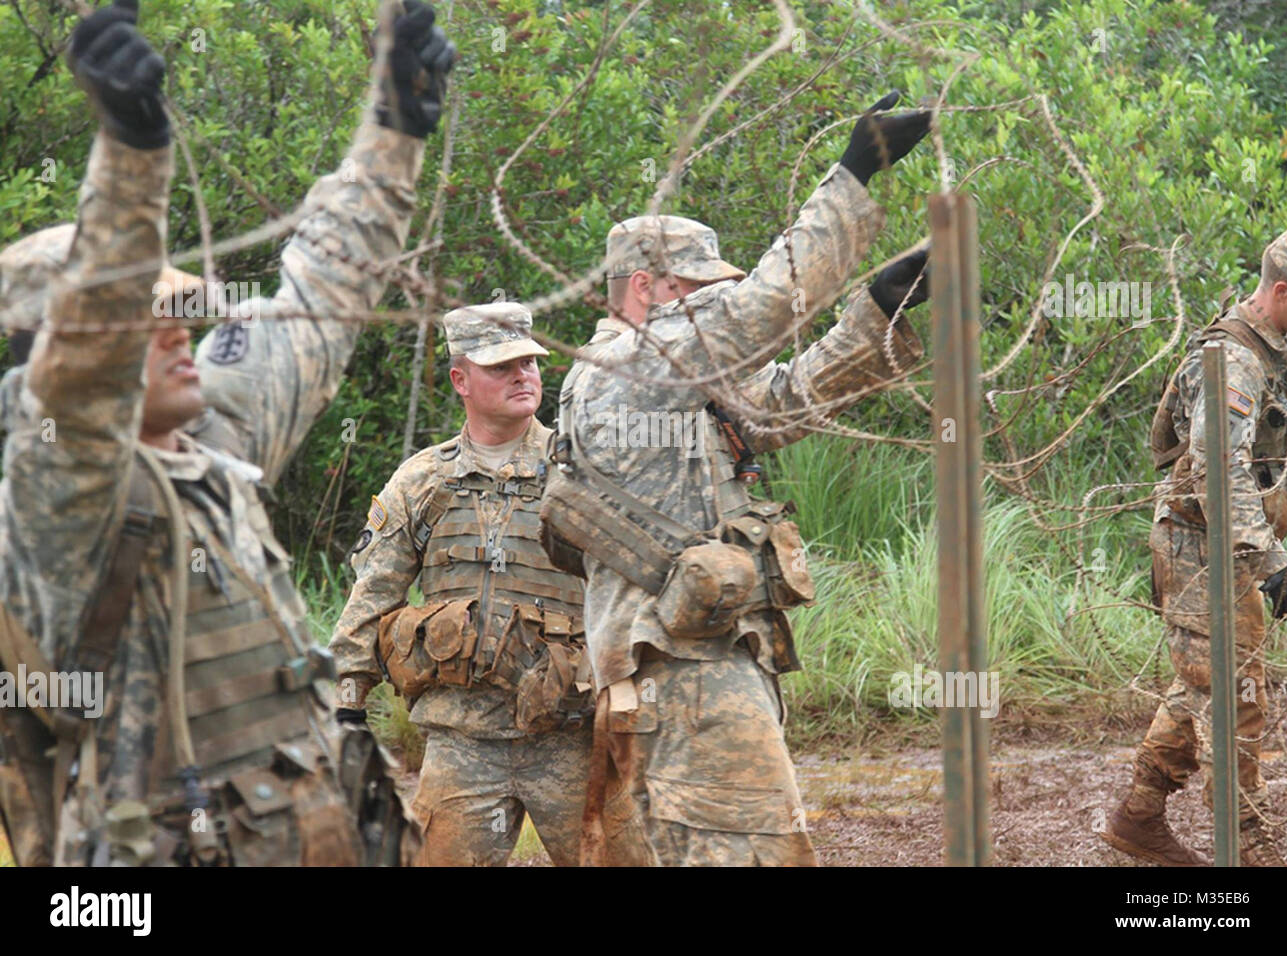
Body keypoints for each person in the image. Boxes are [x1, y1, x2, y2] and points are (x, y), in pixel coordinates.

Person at [0, 0, 455, 866]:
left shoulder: (213, 440)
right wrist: (132, 154)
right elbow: (86, 364)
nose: (182, 335)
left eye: (182, 313)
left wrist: (395, 120)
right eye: (150, 319)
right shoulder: (55, 487)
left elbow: (329, 278)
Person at [541, 91, 932, 865]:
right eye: (700, 291)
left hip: (693, 666)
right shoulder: (632, 362)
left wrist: (878, 314)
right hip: (683, 675)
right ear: (645, 288)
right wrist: (855, 173)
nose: (717, 307)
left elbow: (780, 406)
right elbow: (768, 306)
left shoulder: (661, 375)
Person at [330, 303, 650, 866]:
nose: (522, 375)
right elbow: (374, 594)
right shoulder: (424, 480)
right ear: (461, 379)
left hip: (572, 738)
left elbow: (637, 584)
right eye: (502, 366)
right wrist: (345, 707)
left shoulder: (577, 471)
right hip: (462, 743)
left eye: (529, 362)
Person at [1099, 225, 1287, 868]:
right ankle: (1248, 840)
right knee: (1237, 693)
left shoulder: (1279, 348)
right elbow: (1219, 468)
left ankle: (1139, 816)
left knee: (1206, 684)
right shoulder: (1233, 357)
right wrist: (1274, 568)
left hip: (1230, 540)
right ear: (1281, 290)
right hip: (1197, 542)